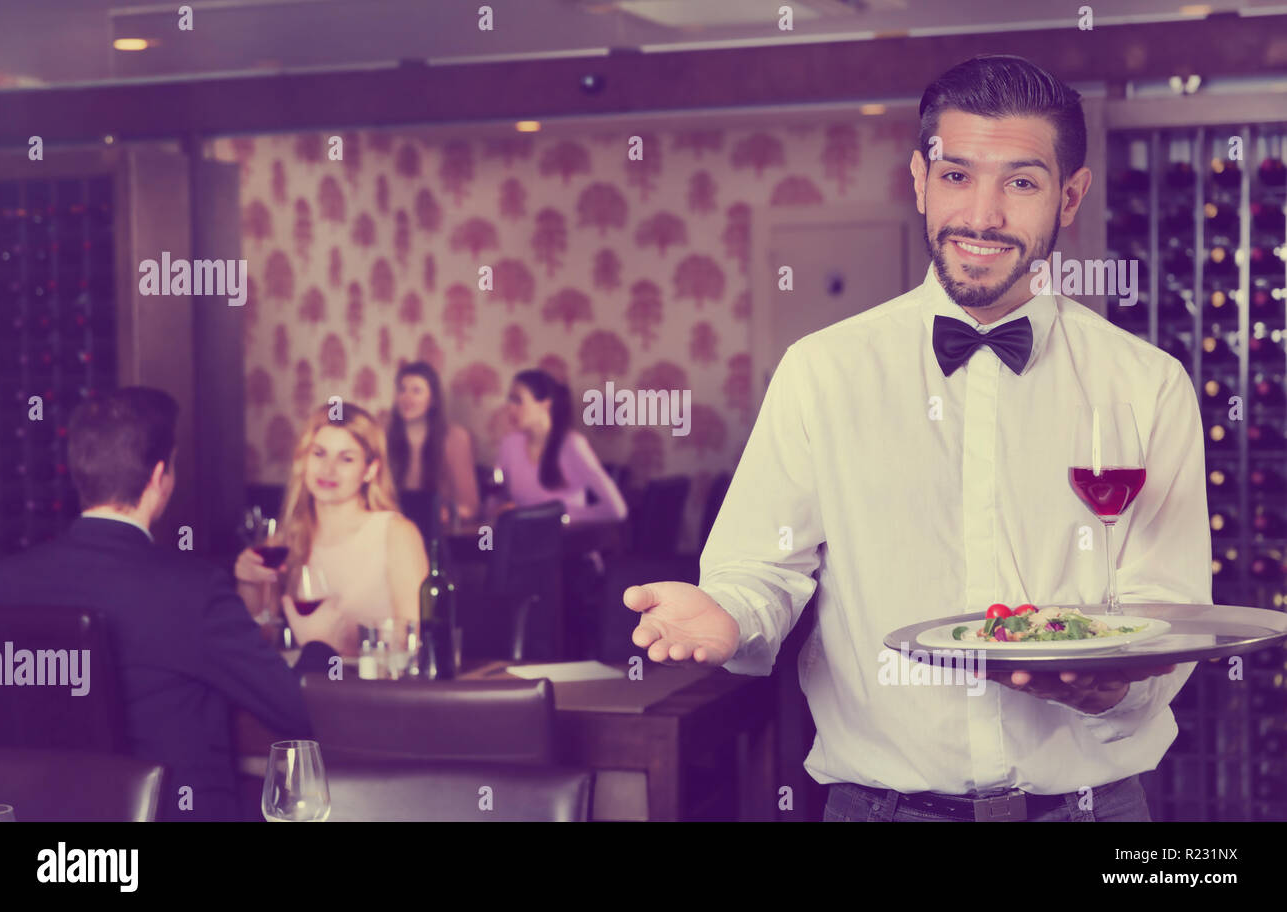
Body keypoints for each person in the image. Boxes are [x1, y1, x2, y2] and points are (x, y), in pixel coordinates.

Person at [624, 55, 1210, 822]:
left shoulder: (1148, 384)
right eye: (957, 175)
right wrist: (730, 614)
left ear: (1070, 197)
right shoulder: (821, 372)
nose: (983, 214)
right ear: (919, 180)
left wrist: (1120, 681)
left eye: (1022, 183)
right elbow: (760, 569)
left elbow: (1167, 605)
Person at [0, 387, 315, 822]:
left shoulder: (1, 583)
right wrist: (319, 651)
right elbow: (294, 714)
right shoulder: (195, 590)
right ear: (160, 475)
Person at [235, 402, 427, 656]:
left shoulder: (397, 533)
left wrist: (337, 646)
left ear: (370, 470)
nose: (328, 469)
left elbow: (414, 643)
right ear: (303, 460)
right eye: (319, 454)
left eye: (346, 458)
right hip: (306, 690)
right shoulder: (283, 540)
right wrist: (247, 582)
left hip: (375, 691)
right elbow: (259, 640)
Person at [493, 369, 628, 522]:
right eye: (510, 400)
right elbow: (498, 497)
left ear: (545, 404)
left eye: (518, 400)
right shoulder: (510, 444)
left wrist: (559, 516)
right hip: (520, 540)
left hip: (564, 541)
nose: (510, 408)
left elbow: (617, 510)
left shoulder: (572, 445)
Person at [386, 360, 480, 525]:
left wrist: (444, 513)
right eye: (402, 390)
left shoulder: (455, 438)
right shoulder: (383, 434)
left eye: (416, 391)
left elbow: (469, 506)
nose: (407, 398)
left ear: (432, 399)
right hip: (392, 527)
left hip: (437, 533)